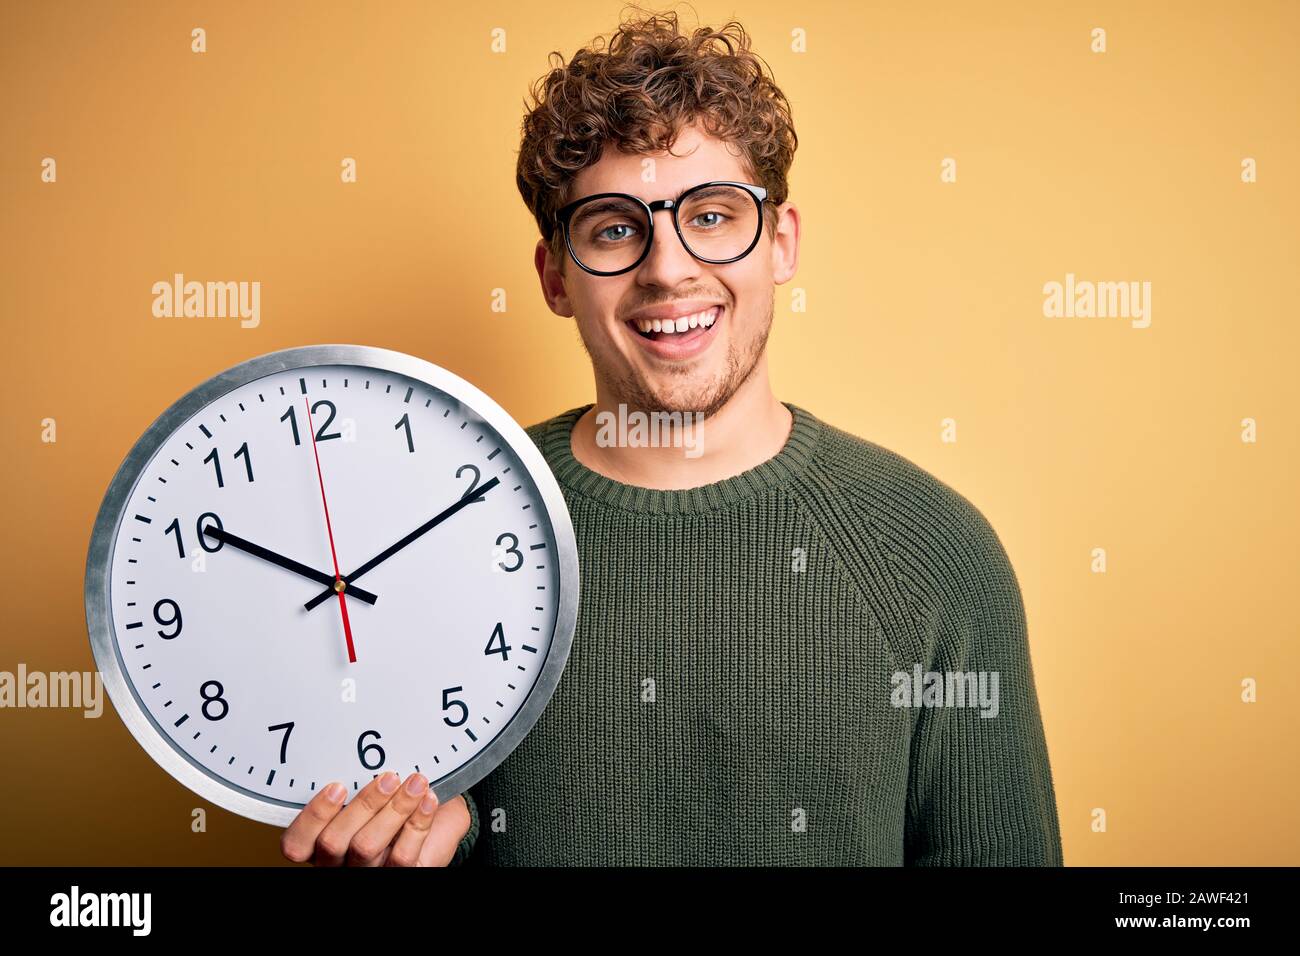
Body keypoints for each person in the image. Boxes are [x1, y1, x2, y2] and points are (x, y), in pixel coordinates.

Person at [281, 9, 1063, 867]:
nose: (667, 267)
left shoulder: (935, 550)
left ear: (782, 243)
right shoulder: (429, 540)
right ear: (553, 275)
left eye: (714, 215)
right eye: (615, 228)